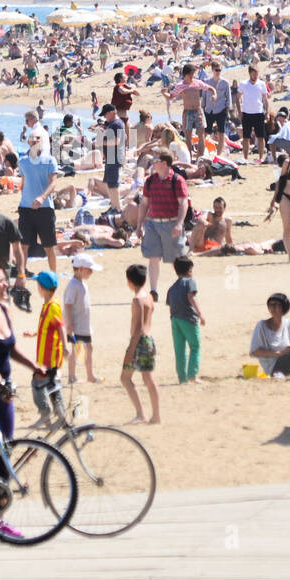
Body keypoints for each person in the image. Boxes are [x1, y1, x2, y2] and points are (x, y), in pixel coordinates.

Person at [135, 149, 189, 301]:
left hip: (171, 223)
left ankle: (184, 289)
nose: (152, 163)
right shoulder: (150, 180)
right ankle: (153, 291)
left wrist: (179, 224)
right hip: (153, 223)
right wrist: (139, 225)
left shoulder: (177, 180)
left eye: (155, 161)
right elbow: (144, 204)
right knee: (153, 257)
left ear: (164, 163)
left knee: (177, 259)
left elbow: (183, 203)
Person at [120, 263, 160, 425]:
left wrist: (130, 350)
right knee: (148, 379)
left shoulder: (137, 300)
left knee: (125, 378)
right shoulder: (149, 297)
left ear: (129, 281)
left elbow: (138, 328)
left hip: (139, 342)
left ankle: (140, 413)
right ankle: (155, 415)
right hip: (149, 340)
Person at [25, 271, 66, 427]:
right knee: (50, 384)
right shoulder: (48, 304)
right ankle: (60, 416)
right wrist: (34, 333)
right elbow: (49, 328)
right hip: (46, 354)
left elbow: (61, 327)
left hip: (50, 355)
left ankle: (46, 414)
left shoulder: (53, 306)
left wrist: (66, 348)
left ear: (41, 287)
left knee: (38, 382)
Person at [18, 129, 60, 274]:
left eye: (37, 139)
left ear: (41, 141)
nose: (34, 141)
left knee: (49, 246)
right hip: (25, 208)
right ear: (28, 142)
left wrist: (42, 197)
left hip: (45, 208)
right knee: (23, 245)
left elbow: (53, 183)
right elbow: (23, 181)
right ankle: (21, 273)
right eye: (32, 139)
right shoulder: (22, 161)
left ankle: (53, 274)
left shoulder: (50, 160)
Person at [61, 254, 101, 384]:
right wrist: (69, 325)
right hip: (76, 325)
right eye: (89, 269)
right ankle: (72, 376)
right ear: (81, 269)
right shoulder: (73, 285)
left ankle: (90, 375)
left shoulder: (81, 284)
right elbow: (67, 305)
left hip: (84, 325)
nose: (92, 272)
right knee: (77, 350)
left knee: (89, 348)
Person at [165, 255, 204, 385]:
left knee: (179, 350)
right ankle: (192, 375)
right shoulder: (190, 282)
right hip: (188, 319)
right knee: (195, 346)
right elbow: (191, 297)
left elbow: (170, 304)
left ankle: (182, 378)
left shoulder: (172, 287)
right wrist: (200, 314)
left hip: (175, 320)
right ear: (189, 271)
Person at [237, 65, 270, 163]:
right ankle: (245, 158)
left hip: (259, 113)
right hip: (246, 113)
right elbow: (237, 98)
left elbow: (265, 99)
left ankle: (260, 158)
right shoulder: (243, 84)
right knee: (246, 137)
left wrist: (267, 112)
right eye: (253, 74)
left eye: (256, 74)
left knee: (260, 136)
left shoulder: (262, 84)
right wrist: (239, 112)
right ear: (250, 73)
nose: (255, 76)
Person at [98, 104, 126, 213]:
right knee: (110, 183)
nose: (105, 117)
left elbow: (117, 141)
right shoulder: (114, 124)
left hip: (114, 157)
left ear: (111, 112)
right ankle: (114, 206)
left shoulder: (117, 124)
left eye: (105, 114)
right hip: (111, 157)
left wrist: (102, 142)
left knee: (113, 184)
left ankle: (117, 208)